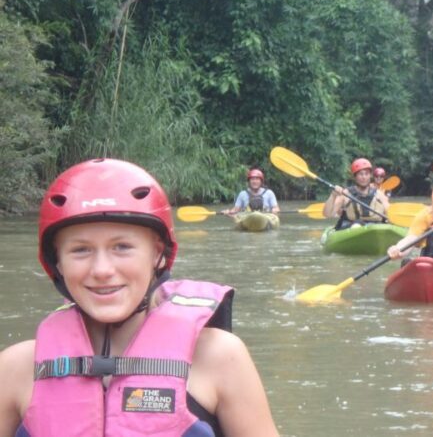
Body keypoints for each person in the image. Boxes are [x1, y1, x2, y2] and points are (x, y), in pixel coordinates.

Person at [0, 159, 279, 436]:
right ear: (57, 262)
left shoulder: (220, 358)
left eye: (122, 247)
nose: (102, 270)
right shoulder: (15, 369)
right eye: (80, 250)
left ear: (157, 254)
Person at [323, 158, 390, 230]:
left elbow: (390, 214)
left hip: (376, 227)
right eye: (361, 174)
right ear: (355, 177)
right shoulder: (345, 194)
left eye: (366, 174)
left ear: (370, 176)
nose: (364, 177)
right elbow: (328, 214)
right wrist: (333, 195)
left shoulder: (380, 195)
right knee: (357, 225)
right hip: (352, 227)